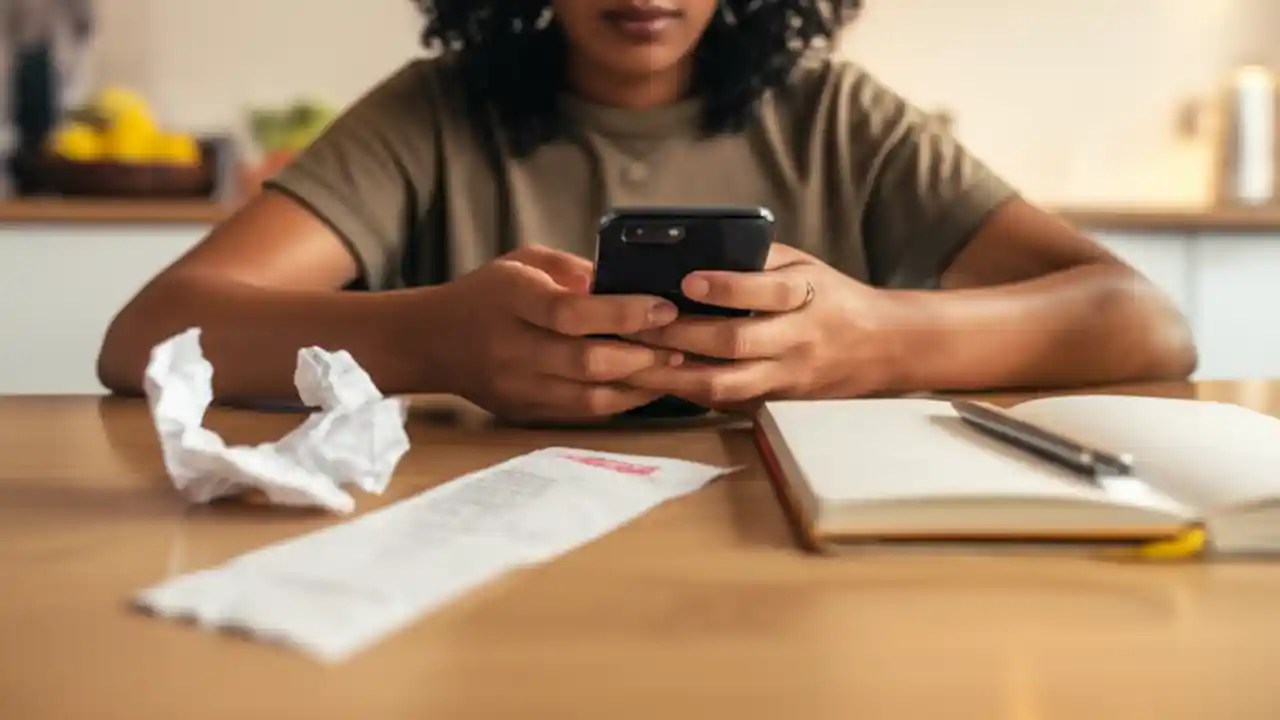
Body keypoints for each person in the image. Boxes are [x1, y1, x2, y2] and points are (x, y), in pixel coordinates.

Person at [98, 0, 1196, 422]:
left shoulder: (835, 115)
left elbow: (1143, 323)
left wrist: (877, 340)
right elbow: (145, 335)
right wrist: (433, 340)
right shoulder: (434, 114)